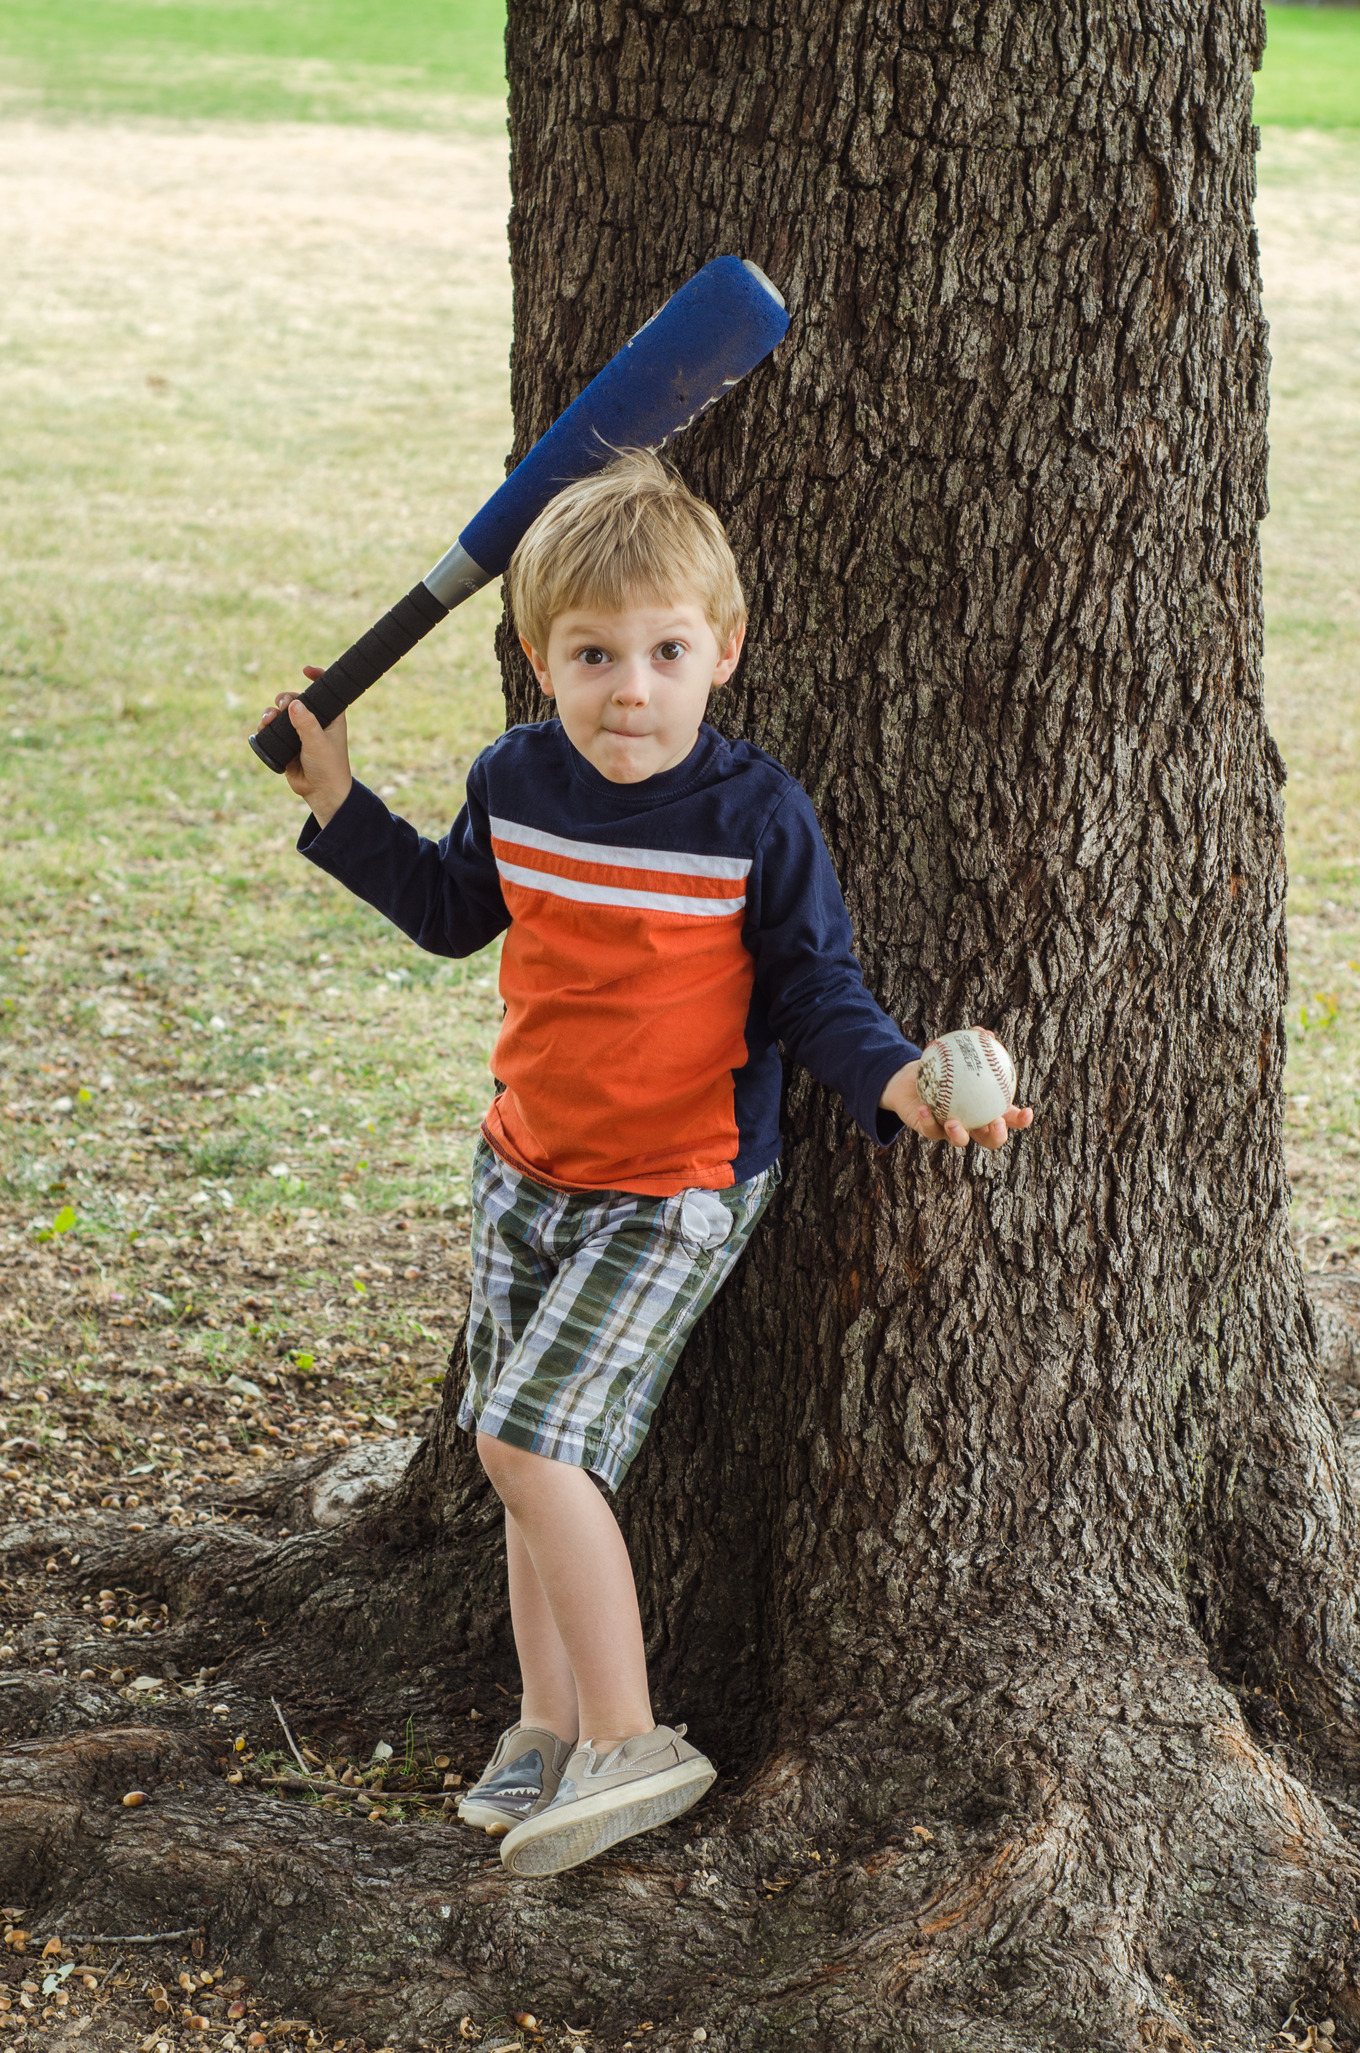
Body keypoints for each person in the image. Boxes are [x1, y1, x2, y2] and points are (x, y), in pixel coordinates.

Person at [253, 450, 1031, 1878]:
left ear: (722, 651)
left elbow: (815, 995)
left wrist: (907, 1082)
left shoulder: (752, 818)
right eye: (594, 653)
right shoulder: (519, 778)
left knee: (528, 1438)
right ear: (537, 654)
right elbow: (445, 909)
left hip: (672, 1188)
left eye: (667, 652)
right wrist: (337, 799)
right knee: (520, 1458)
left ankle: (635, 1736)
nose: (631, 687)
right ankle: (548, 1724)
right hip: (525, 1169)